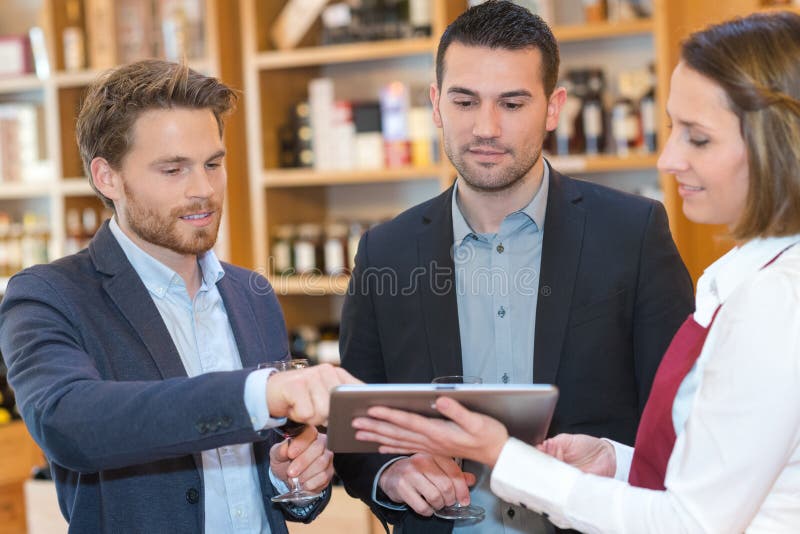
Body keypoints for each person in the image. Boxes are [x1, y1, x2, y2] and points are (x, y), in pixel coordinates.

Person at [352, 10, 800, 533]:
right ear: (435, 104)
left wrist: (505, 455)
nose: (486, 127)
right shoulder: (384, 251)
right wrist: (390, 472)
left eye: (513, 103)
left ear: (553, 108)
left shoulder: (639, 233)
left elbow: (686, 475)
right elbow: (357, 426)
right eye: (465, 101)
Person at [0, 59, 360, 533]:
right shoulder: (49, 296)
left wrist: (290, 478)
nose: (204, 190)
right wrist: (261, 393)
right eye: (173, 170)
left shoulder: (252, 293)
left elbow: (271, 475)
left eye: (214, 163)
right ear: (107, 177)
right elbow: (70, 423)